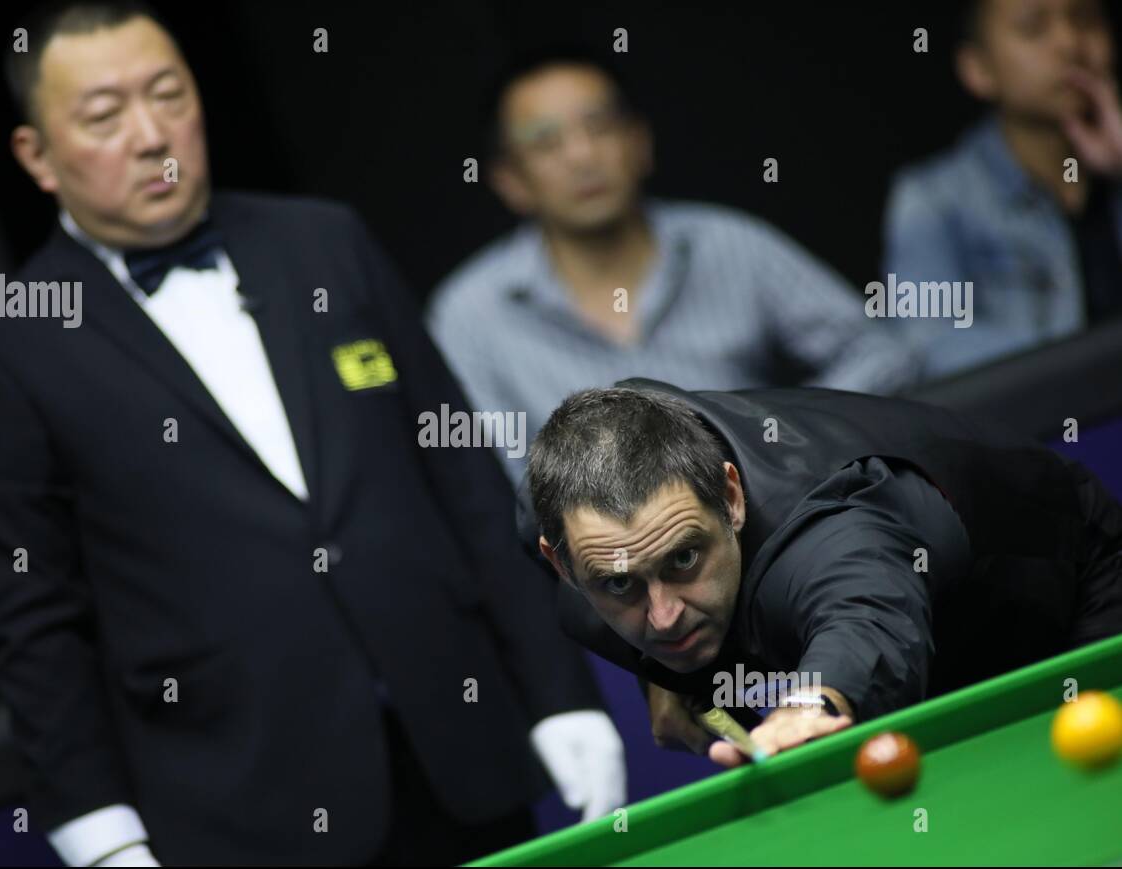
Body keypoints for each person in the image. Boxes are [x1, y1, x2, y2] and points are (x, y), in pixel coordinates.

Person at [0, 1, 624, 867]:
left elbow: (465, 481)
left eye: (168, 96)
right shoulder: (2, 351)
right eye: (105, 116)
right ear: (36, 155)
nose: (152, 135)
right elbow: (32, 624)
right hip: (242, 802)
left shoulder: (324, 242)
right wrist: (99, 834)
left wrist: (564, 693)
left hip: (460, 744)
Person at [521, 381, 1122, 765]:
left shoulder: (828, 532)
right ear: (561, 562)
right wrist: (660, 674)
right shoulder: (554, 520)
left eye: (684, 558)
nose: (664, 615)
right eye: (619, 584)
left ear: (731, 497)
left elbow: (865, 613)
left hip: (1068, 585)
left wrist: (813, 705)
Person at [428, 46, 920, 485]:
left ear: (641, 143)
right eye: (546, 142)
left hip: (770, 507)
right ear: (510, 180)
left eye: (599, 126)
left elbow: (882, 353)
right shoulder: (470, 311)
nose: (581, 156)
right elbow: (495, 476)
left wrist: (771, 437)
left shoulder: (731, 243)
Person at [884, 0, 1122, 380]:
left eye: (1085, 19)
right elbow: (927, 342)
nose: (1070, 43)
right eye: (1033, 28)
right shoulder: (934, 199)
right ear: (978, 70)